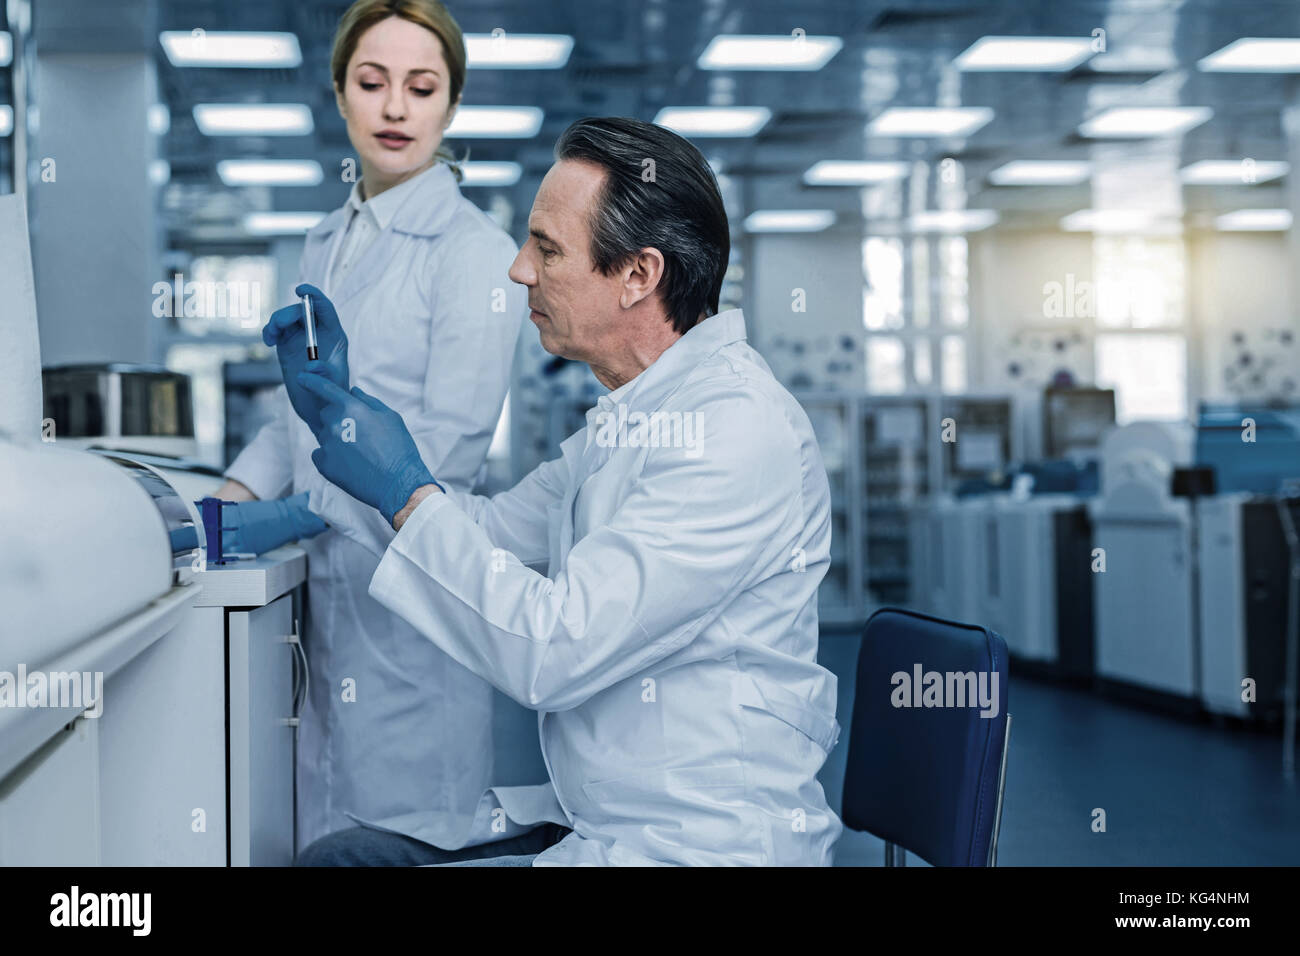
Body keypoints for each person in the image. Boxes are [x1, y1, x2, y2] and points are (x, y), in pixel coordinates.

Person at [287, 117, 842, 866]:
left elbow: (553, 650)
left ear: (639, 275)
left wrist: (407, 491)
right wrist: (345, 424)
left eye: (546, 248)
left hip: (696, 842)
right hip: (607, 814)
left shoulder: (735, 430)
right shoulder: (631, 421)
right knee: (348, 857)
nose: (519, 270)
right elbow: (485, 530)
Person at [210, 0, 525, 851]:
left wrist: (304, 511)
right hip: (325, 610)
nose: (395, 108)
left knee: (401, 839)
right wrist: (217, 511)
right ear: (340, 94)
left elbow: (446, 451)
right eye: (372, 82)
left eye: (421, 88)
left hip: (411, 613)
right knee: (319, 835)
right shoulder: (324, 243)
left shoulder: (472, 252)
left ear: (449, 104)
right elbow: (294, 417)